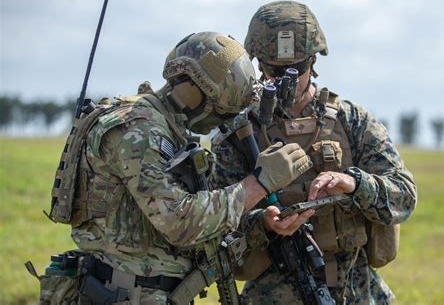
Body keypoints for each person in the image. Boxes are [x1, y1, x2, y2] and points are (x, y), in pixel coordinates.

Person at [31, 31, 313, 304]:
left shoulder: (167, 129)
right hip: (124, 292)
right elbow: (179, 222)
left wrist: (260, 223)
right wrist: (258, 184)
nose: (220, 122)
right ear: (194, 94)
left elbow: (201, 219)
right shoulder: (137, 130)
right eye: (221, 111)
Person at [210, 1, 417, 305]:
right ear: (258, 64)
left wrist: (355, 183)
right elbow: (211, 222)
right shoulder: (239, 133)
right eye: (274, 69)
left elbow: (405, 197)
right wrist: (262, 223)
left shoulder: (352, 120)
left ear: (313, 61)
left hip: (355, 291)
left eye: (297, 68)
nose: (286, 80)